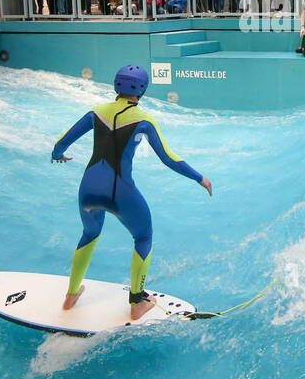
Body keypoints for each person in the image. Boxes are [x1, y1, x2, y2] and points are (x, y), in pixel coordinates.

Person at [51, 65, 213, 320]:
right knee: (143, 236)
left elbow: (62, 141)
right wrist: (199, 178)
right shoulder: (144, 120)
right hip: (120, 193)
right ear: (142, 90)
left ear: (116, 86)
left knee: (90, 234)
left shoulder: (95, 112)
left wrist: (58, 155)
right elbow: (168, 158)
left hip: (88, 190)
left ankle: (71, 296)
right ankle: (137, 302)